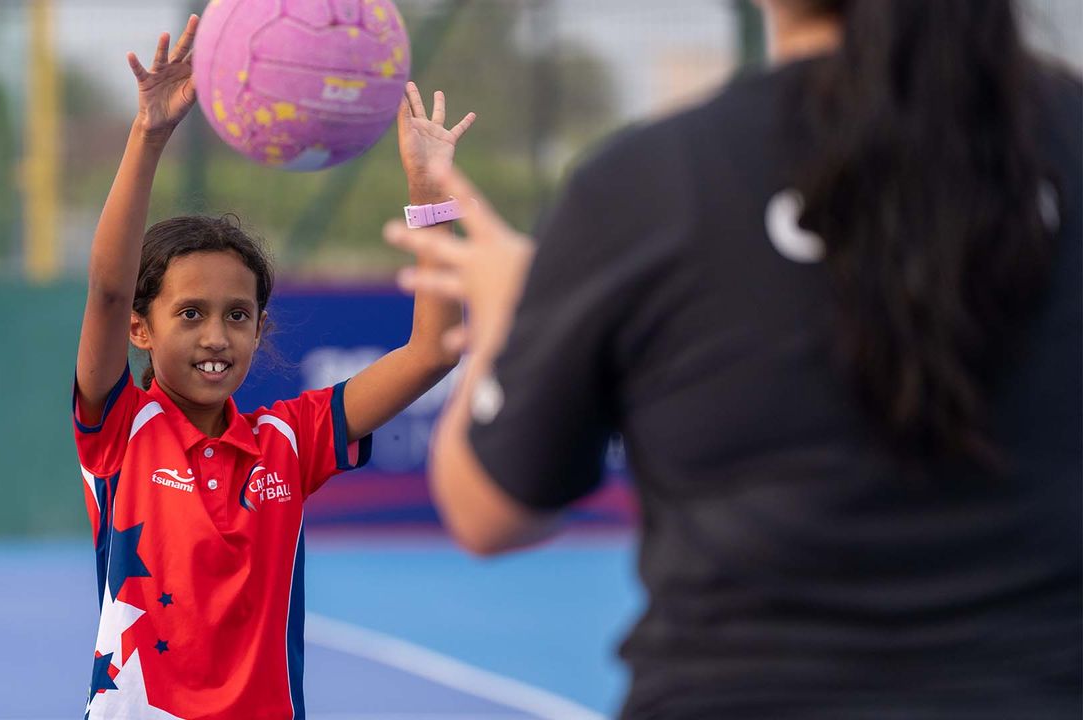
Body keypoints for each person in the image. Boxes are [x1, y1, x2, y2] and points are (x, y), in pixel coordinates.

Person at [387, 0, 1082, 717]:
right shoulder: (1066, 138)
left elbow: (487, 508)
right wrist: (429, 195)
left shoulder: (652, 182)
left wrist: (502, 318)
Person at [74, 16, 473, 718]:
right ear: (140, 327)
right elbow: (108, 287)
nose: (217, 335)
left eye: (238, 315)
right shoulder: (120, 431)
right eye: (189, 313)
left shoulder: (288, 442)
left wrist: (428, 190)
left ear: (261, 329)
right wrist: (148, 135)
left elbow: (435, 349)